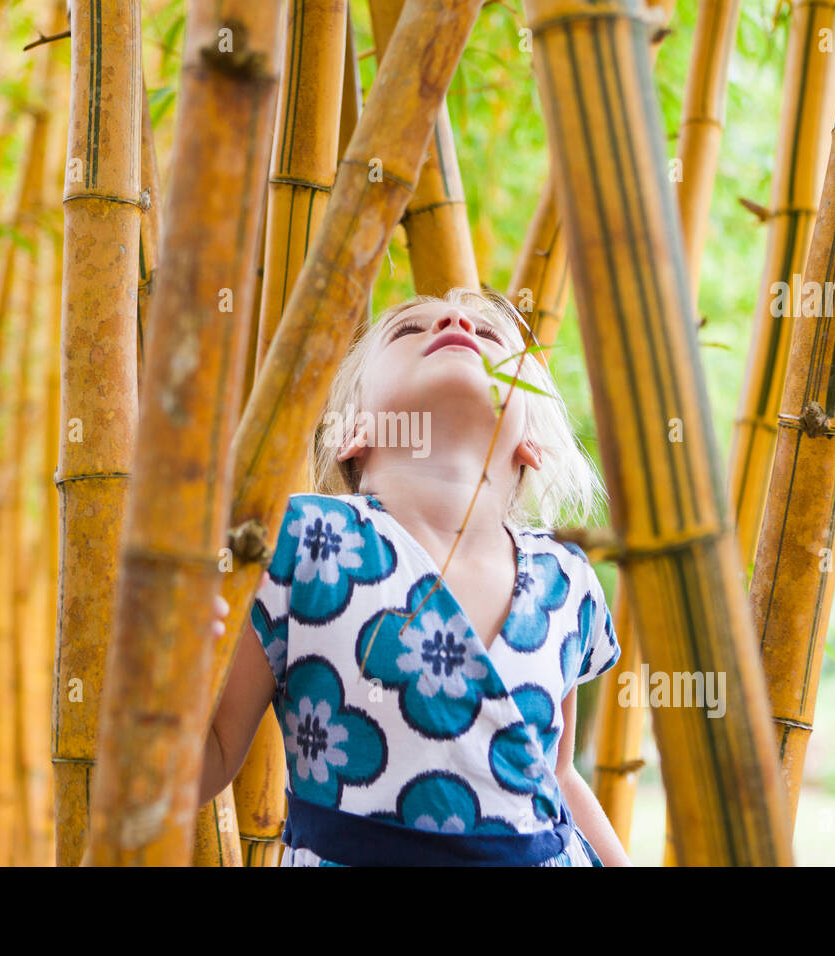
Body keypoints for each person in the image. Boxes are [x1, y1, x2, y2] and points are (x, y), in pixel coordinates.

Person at [201, 287, 630, 866]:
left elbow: (557, 777)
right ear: (352, 433)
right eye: (409, 330)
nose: (457, 321)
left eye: (491, 335)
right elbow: (215, 754)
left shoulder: (567, 579)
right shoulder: (301, 538)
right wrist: (168, 668)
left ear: (532, 444)